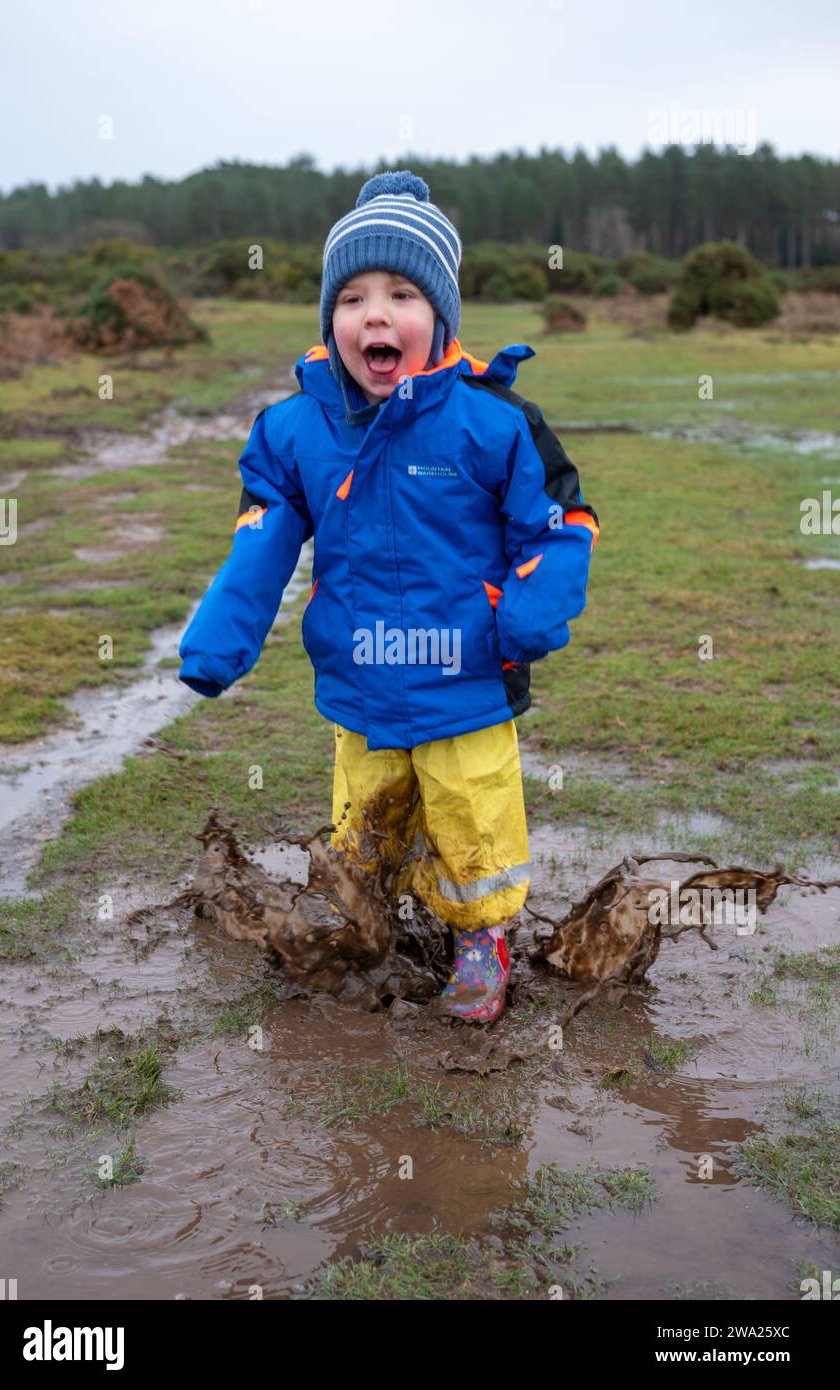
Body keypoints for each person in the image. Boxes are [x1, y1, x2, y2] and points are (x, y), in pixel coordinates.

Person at [178, 170, 600, 1024]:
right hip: (360, 683)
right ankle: (364, 925)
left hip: (469, 675)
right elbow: (261, 546)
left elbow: (558, 526)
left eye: (402, 294)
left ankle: (480, 940)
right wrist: (217, 644)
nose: (376, 315)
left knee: (471, 818)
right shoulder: (295, 430)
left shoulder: (492, 423)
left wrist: (522, 620)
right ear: (329, 321)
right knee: (363, 824)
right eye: (354, 297)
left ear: (439, 318)